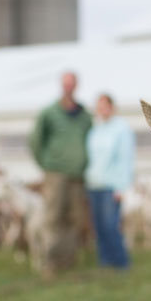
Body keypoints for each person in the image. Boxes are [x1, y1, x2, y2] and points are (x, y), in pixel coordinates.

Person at [29, 71, 92, 277]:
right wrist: (45, 163)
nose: (68, 87)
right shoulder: (49, 113)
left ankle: (68, 260)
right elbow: (35, 141)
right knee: (54, 217)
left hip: (77, 175)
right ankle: (51, 262)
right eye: (65, 84)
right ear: (61, 86)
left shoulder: (84, 115)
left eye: (72, 84)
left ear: (76, 86)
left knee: (74, 217)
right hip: (56, 174)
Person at [84, 93, 135, 269]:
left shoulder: (121, 129)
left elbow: (125, 159)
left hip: (111, 186)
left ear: (112, 108)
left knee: (111, 225)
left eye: (105, 106)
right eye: (99, 106)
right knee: (98, 227)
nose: (102, 110)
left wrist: (122, 187)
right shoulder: (95, 130)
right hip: (93, 184)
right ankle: (104, 262)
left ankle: (120, 263)